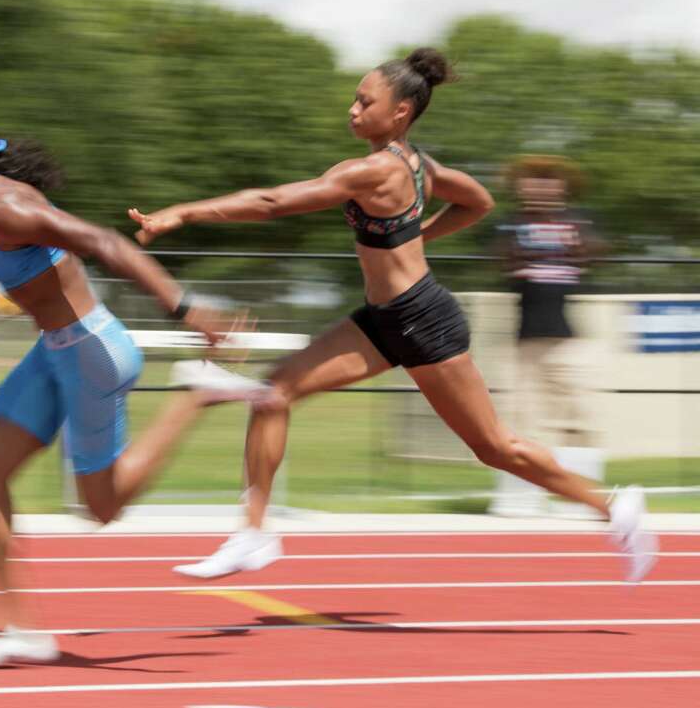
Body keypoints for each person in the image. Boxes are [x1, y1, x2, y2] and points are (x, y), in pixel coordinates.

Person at [128, 48, 658, 582]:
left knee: (494, 448)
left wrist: (185, 212)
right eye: (354, 99)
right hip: (384, 321)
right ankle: (254, 534)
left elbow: (272, 203)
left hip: (424, 321)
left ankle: (615, 510)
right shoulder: (419, 165)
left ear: (401, 111)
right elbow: (478, 203)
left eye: (365, 101)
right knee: (275, 392)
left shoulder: (376, 170)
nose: (353, 109)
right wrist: (418, 235)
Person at [0, 101, 265, 668]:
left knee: (102, 508)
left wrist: (188, 310)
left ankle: (197, 392)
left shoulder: (3, 203)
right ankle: (19, 631)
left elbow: (106, 243)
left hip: (92, 355)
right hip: (53, 352)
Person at [491, 156, 607, 517]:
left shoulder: (579, 222)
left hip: (566, 339)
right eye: (533, 180)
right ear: (521, 187)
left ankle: (579, 498)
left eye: (549, 180)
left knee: (580, 416)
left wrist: (572, 238)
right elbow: (497, 260)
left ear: (562, 188)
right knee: (522, 421)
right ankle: (520, 497)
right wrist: (528, 238)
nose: (541, 186)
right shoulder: (510, 225)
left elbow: (598, 252)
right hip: (526, 340)